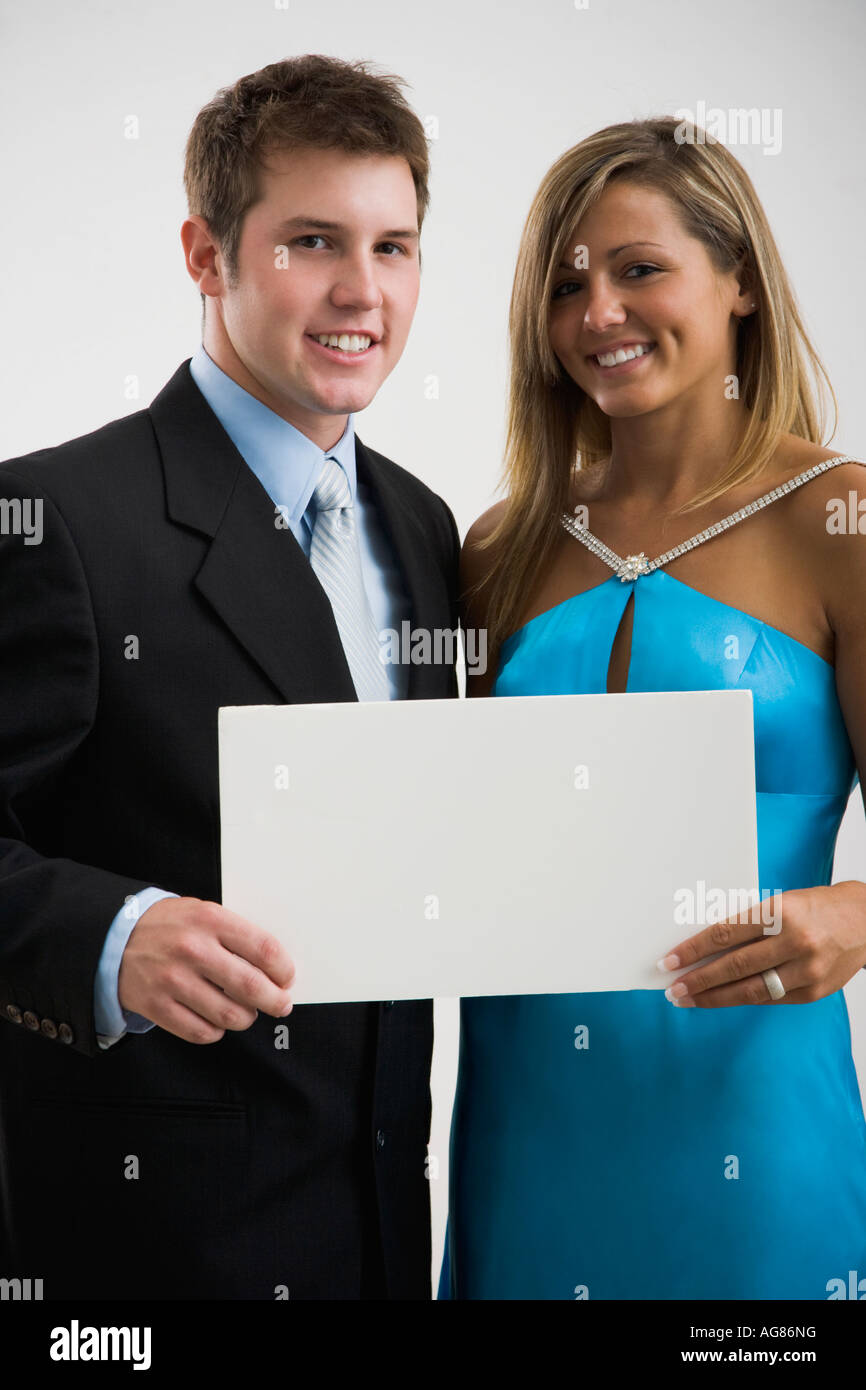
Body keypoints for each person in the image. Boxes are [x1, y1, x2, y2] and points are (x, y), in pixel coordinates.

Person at [0, 54, 460, 1300]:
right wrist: (108, 935)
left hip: (374, 1237)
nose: (360, 291)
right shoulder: (54, 518)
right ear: (205, 254)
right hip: (142, 1255)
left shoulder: (424, 529)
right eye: (311, 241)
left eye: (394, 246)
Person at [439, 116, 866, 1300]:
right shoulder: (499, 547)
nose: (598, 315)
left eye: (638, 269)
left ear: (736, 280)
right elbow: (439, 833)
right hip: (526, 1128)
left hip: (753, 1116)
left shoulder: (838, 519)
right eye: (566, 284)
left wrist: (854, 916)